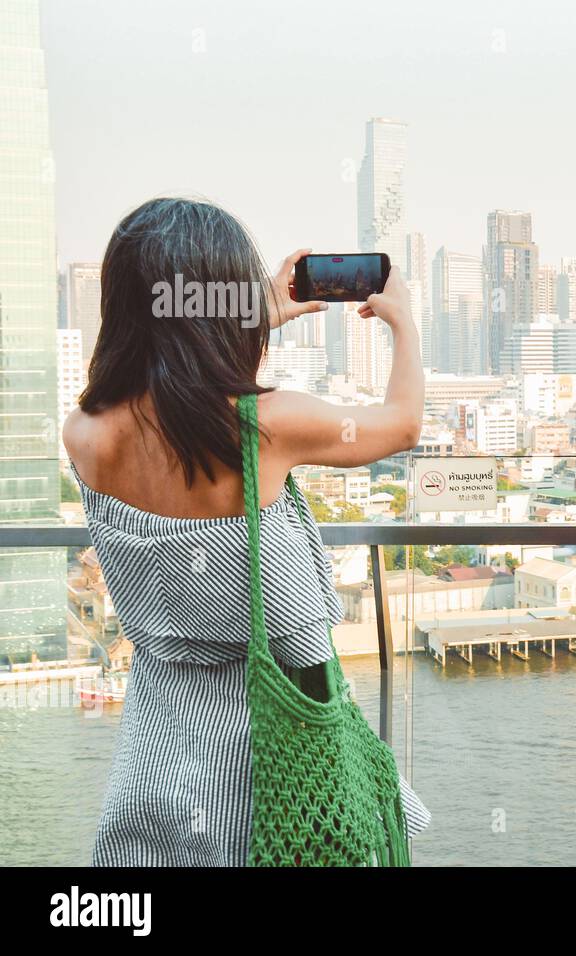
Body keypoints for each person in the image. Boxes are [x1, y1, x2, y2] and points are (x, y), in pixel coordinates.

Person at [63, 197, 431, 865]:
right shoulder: (263, 426)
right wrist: (404, 324)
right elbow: (402, 424)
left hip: (155, 764)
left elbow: (165, 355)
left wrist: (241, 311)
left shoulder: (85, 436)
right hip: (269, 773)